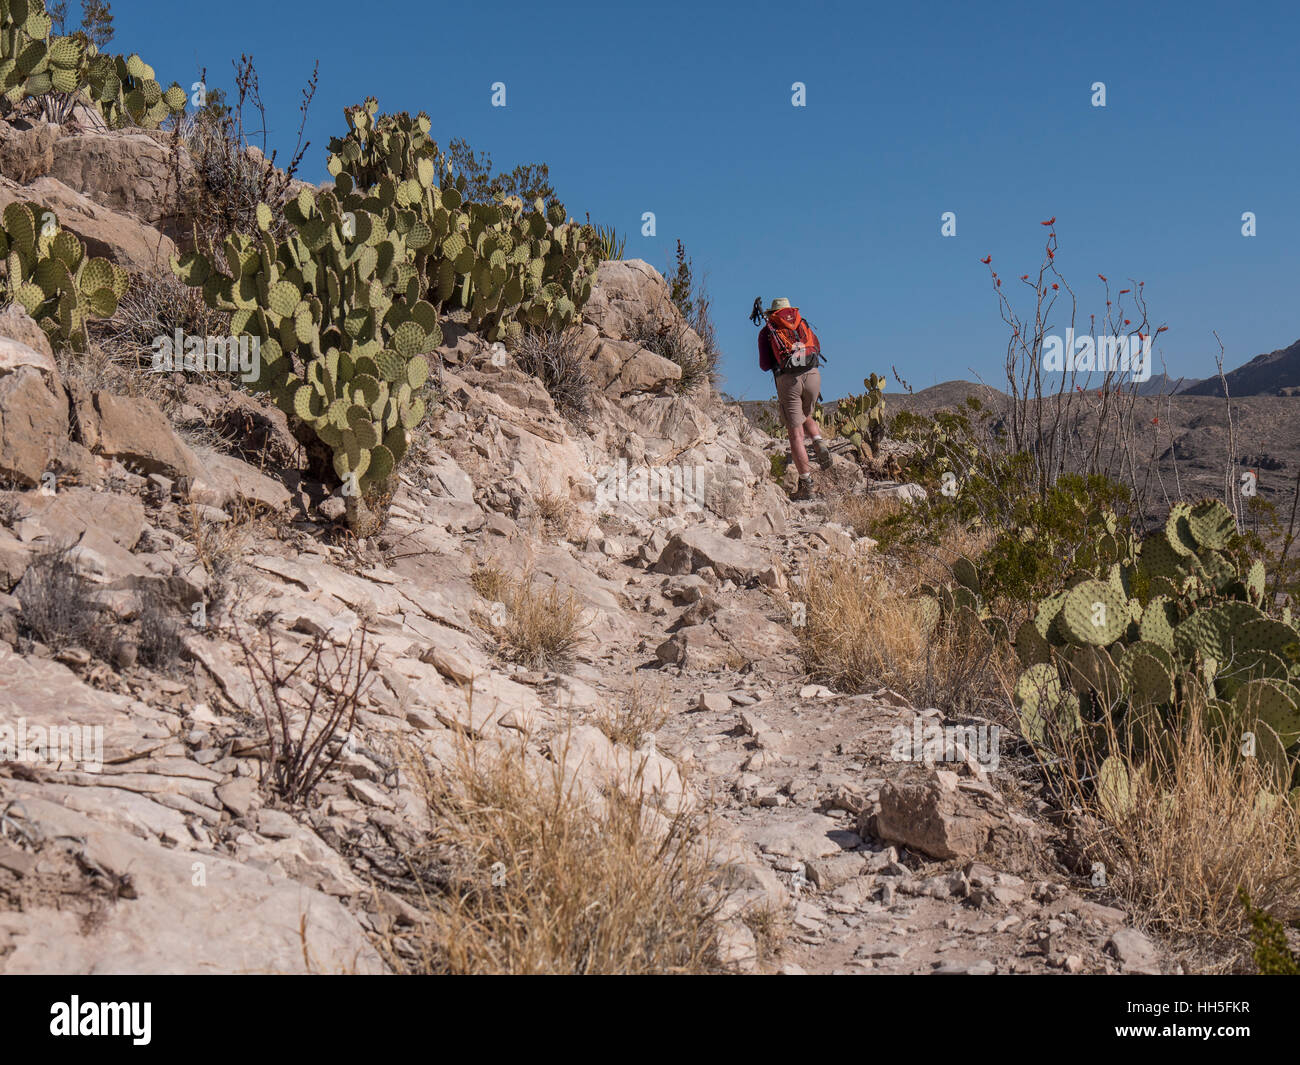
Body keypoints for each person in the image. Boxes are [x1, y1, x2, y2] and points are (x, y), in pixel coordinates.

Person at [757, 298, 832, 500]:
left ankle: (807, 486)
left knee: (796, 435)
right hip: (813, 374)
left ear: (772, 313)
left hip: (788, 380)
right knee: (805, 414)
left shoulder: (768, 331)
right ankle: (818, 441)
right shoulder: (801, 323)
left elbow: (764, 364)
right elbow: (816, 346)